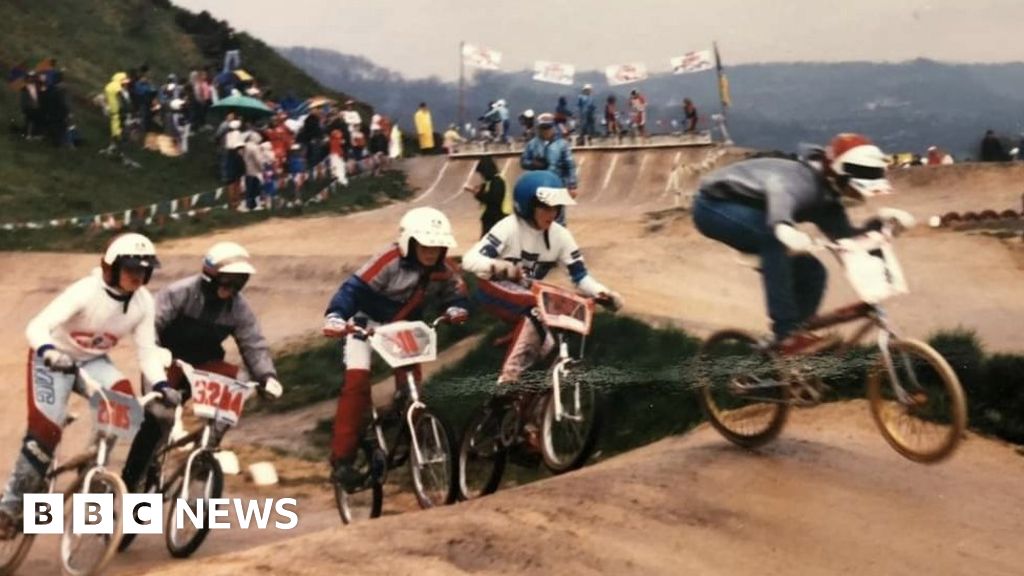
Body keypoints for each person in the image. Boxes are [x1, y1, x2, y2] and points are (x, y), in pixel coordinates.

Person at [0, 233, 174, 539]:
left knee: (126, 406)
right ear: (111, 267)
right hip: (52, 360)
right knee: (44, 434)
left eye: (143, 270)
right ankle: (10, 507)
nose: (137, 276)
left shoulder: (143, 303)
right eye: (131, 268)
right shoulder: (85, 291)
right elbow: (37, 326)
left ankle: (94, 475)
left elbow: (147, 350)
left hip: (93, 361)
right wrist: (48, 352)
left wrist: (160, 383)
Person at [691, 133, 916, 355]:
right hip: (713, 206)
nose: (857, 193)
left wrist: (882, 225)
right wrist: (783, 225)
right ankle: (786, 334)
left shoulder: (828, 200)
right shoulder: (802, 181)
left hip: (756, 211)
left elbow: (847, 238)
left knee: (814, 272)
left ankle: (791, 346)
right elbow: (780, 191)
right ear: (840, 174)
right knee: (772, 239)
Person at [321, 207, 469, 487]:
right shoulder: (388, 261)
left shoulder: (444, 269)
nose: (431, 252)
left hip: (403, 328)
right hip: (364, 324)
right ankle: (341, 461)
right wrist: (336, 316)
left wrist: (457, 309)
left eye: (438, 246)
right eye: (425, 245)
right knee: (356, 384)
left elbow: (457, 292)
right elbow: (351, 290)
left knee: (413, 386)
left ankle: (414, 429)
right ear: (409, 242)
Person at [120, 242, 282, 492]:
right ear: (210, 278)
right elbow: (150, 323)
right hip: (168, 360)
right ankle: (131, 481)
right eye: (227, 282)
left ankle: (205, 450)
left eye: (239, 283)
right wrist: (155, 351)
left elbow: (254, 343)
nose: (232, 290)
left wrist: (267, 375)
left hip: (205, 364)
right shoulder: (180, 292)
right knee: (158, 420)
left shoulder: (240, 308)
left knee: (236, 385)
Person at [462, 171, 623, 392]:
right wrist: (500, 267)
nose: (553, 213)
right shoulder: (508, 227)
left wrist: (603, 292)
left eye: (556, 208)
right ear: (527, 205)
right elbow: (469, 260)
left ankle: (530, 416)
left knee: (548, 347)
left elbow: (580, 276)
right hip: (492, 287)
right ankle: (506, 383)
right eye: (546, 207)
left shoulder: (561, 236)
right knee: (536, 308)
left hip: (525, 294)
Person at [520, 113, 578, 225]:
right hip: (538, 187)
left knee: (558, 218)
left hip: (557, 185)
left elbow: (570, 165)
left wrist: (572, 185)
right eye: (542, 128)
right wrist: (533, 164)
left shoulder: (562, 144)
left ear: (553, 127)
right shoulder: (532, 145)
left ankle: (558, 240)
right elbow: (523, 162)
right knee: (538, 218)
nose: (545, 131)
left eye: (548, 127)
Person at [466, 156, 509, 237]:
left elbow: (494, 199)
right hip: (491, 218)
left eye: (482, 173)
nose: (481, 176)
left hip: (497, 217)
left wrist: (478, 193)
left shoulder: (497, 182)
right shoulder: (490, 182)